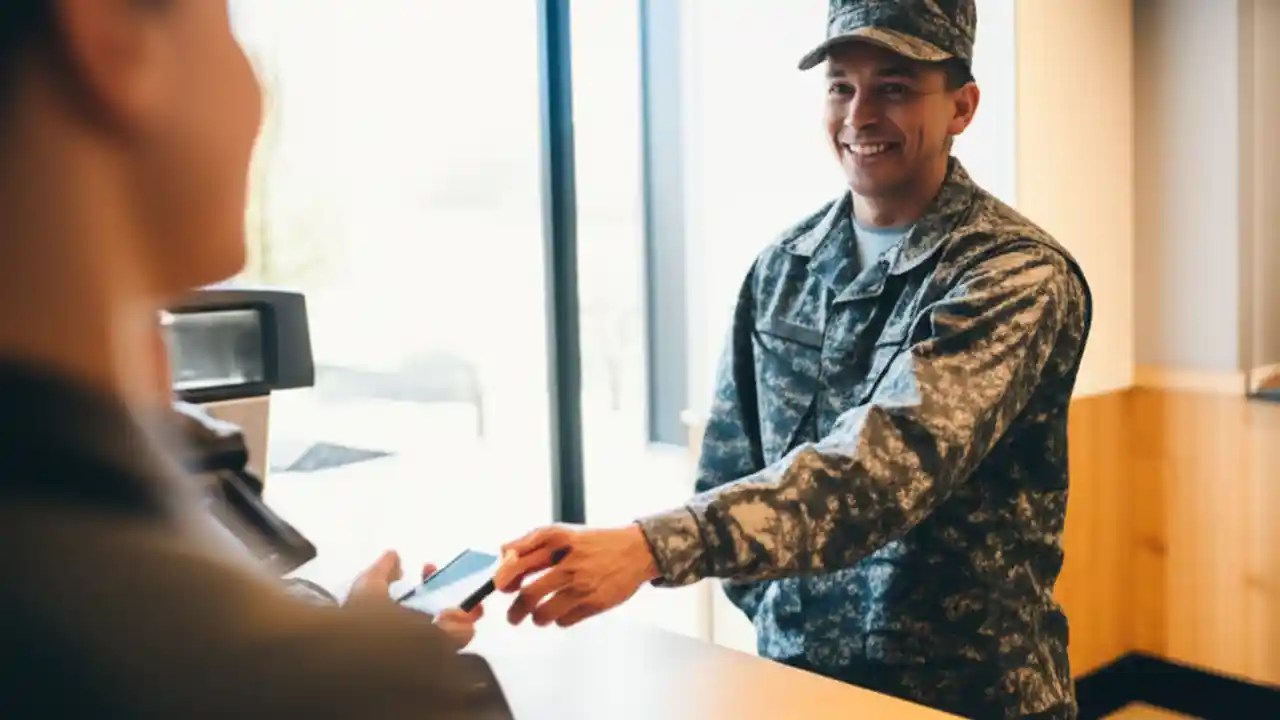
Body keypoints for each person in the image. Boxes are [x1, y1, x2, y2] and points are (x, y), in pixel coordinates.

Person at [495, 1, 1092, 718]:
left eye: (895, 88)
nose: (860, 114)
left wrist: (649, 547)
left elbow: (888, 463)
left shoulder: (1014, 274)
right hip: (797, 685)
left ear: (962, 107)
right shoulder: (785, 266)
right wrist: (789, 616)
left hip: (966, 696)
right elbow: (728, 460)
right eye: (841, 86)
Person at [0, 1, 504, 717]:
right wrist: (354, 668)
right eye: (227, 23)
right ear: (109, 34)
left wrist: (337, 631)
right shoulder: (336, 690)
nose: (255, 89)